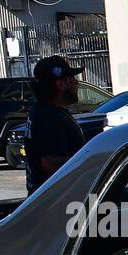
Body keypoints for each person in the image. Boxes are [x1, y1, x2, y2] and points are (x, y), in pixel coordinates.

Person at [25, 55, 86, 194]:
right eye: (72, 79)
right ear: (60, 84)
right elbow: (50, 163)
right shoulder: (48, 117)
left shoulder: (46, 111)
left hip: (49, 198)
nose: (76, 83)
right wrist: (87, 160)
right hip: (55, 200)